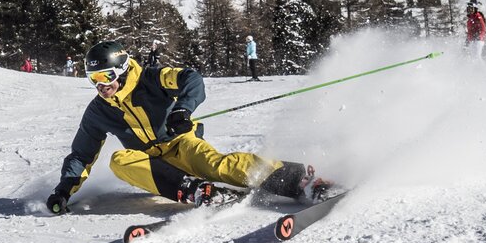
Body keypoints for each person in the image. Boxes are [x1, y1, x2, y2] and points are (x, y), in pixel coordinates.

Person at [45, 40, 325, 213]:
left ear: (121, 68)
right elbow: (82, 155)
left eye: (105, 76)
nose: (101, 85)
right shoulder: (98, 110)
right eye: (93, 79)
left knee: (218, 166)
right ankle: (193, 190)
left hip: (181, 143)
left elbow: (191, 79)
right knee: (120, 160)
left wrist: (183, 108)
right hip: (152, 164)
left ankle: (298, 180)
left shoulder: (152, 79)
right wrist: (63, 190)